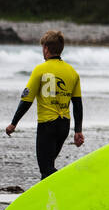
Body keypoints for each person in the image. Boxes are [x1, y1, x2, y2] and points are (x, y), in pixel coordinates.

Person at [6, 30, 84, 179]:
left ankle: (71, 182)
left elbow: (26, 100)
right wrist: (78, 130)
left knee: (46, 169)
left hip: (47, 125)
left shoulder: (39, 70)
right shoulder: (72, 72)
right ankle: (50, 201)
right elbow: (78, 104)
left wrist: (13, 123)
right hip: (64, 126)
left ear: (46, 49)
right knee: (48, 166)